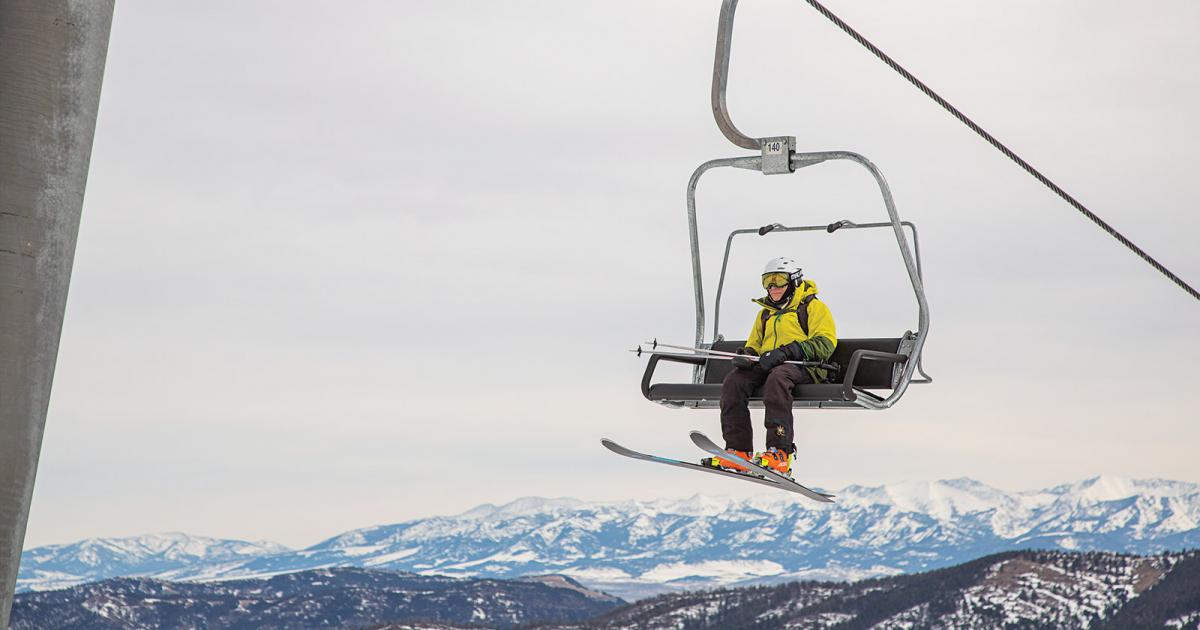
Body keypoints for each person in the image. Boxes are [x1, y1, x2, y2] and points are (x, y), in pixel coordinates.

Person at [701, 257, 837, 477]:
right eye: (767, 282)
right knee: (734, 381)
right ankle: (739, 451)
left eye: (778, 280)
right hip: (770, 365)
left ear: (793, 281)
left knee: (777, 379)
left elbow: (825, 343)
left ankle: (780, 452)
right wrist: (748, 355)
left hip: (804, 366)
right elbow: (754, 343)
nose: (772, 287)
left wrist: (786, 352)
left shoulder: (812, 307)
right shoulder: (766, 313)